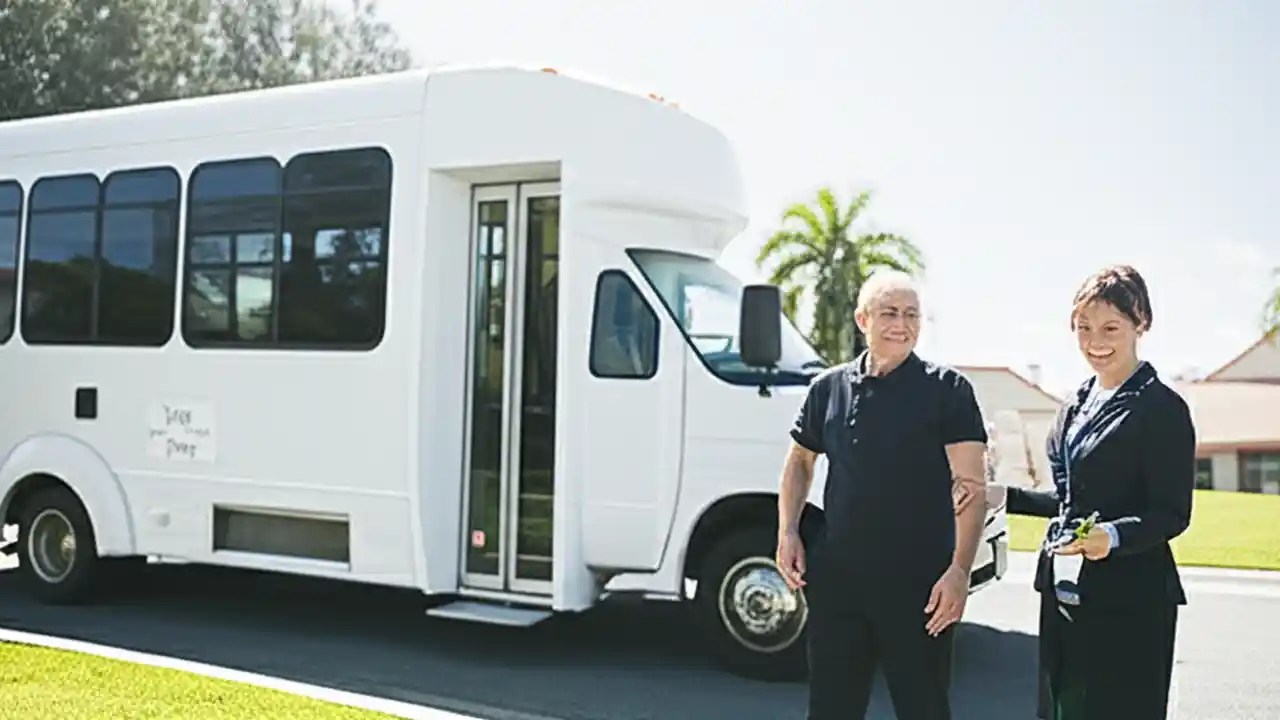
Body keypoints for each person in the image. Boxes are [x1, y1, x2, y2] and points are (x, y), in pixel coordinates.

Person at [976, 264, 1196, 719]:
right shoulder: (1074, 405)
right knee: (1061, 709)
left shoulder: (1162, 409)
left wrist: (1112, 538)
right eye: (1084, 327)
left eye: (1111, 327)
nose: (1096, 340)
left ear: (1142, 324)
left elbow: (1171, 513)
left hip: (1132, 601)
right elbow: (1072, 499)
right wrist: (1007, 497)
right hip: (1065, 592)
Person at [775, 270, 989, 720]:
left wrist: (959, 571)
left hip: (920, 587)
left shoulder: (948, 392)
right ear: (862, 318)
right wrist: (788, 530)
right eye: (889, 312)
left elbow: (971, 487)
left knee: (923, 708)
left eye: (911, 314)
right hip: (839, 583)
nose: (902, 323)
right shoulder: (827, 389)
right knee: (831, 709)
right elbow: (800, 461)